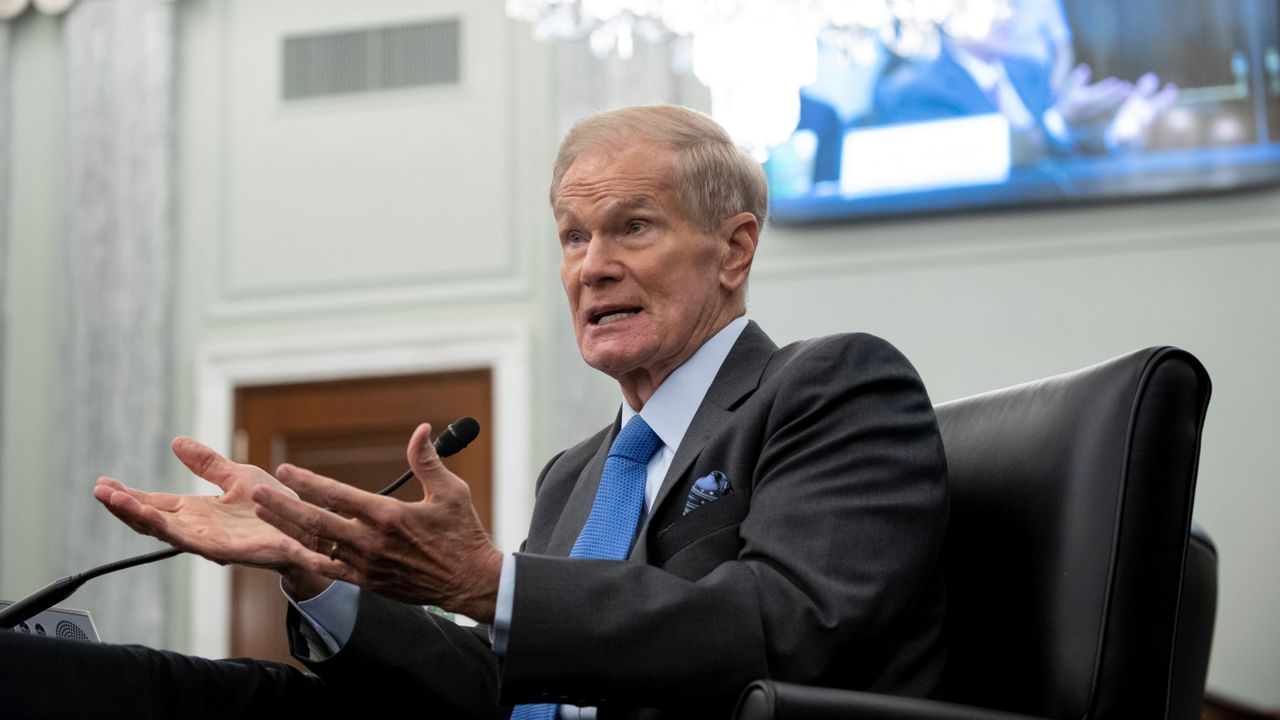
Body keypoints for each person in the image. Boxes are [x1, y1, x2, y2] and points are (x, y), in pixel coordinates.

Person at [4, 105, 949, 719]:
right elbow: (509, 688)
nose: (591, 266)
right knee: (130, 693)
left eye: (632, 227)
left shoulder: (830, 388)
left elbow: (785, 630)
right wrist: (316, 574)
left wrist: (488, 582)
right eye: (572, 237)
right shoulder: (579, 473)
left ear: (734, 249)